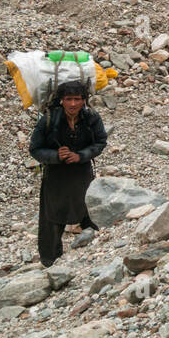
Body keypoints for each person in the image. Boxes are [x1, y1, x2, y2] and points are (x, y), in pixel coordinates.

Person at [29, 80, 107, 267]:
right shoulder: (48, 119)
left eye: (77, 99)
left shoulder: (91, 118)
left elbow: (100, 142)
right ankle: (50, 262)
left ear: (84, 100)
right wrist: (56, 155)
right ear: (61, 100)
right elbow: (35, 149)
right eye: (69, 99)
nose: (73, 104)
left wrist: (80, 156)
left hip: (83, 175)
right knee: (52, 218)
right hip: (56, 177)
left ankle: (97, 256)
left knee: (89, 213)